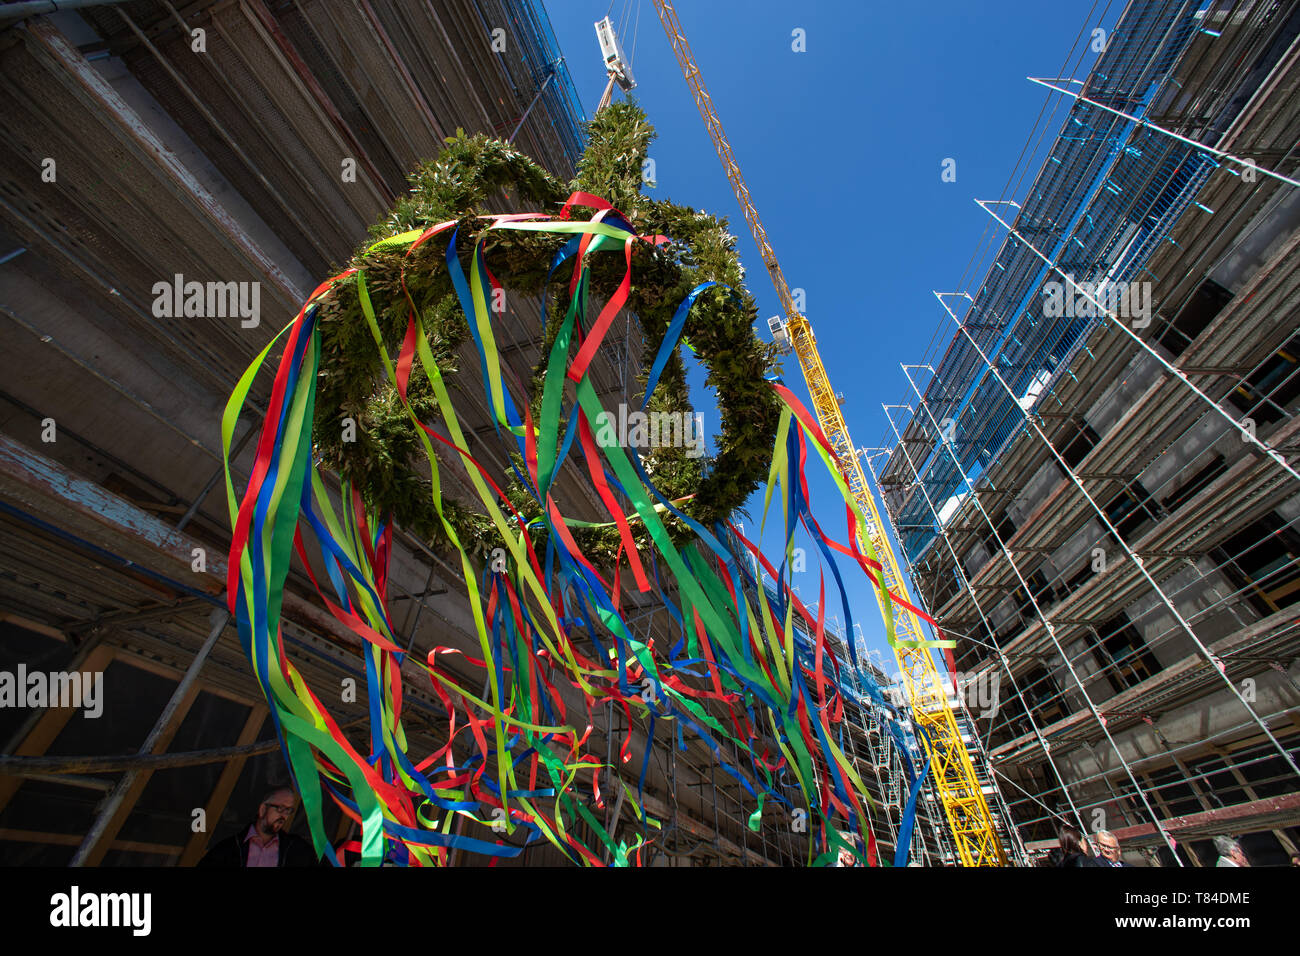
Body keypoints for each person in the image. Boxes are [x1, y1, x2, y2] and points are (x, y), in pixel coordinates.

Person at [198, 786, 317, 867]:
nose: (283, 816)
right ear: (263, 809)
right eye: (280, 809)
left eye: (288, 811)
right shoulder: (229, 848)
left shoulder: (297, 850)